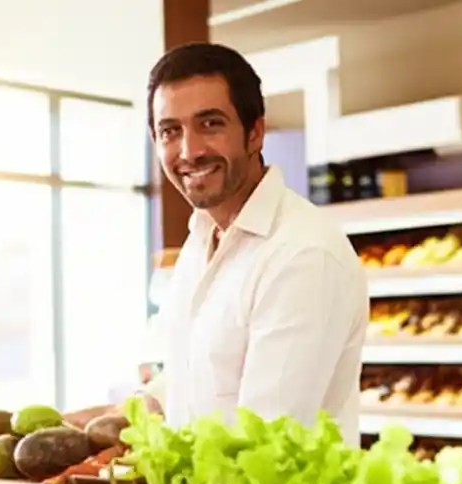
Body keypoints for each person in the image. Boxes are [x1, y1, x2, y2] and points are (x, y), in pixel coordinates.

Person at [68, 42, 368, 443]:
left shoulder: (302, 254)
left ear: (254, 133)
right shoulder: (201, 237)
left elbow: (264, 436)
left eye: (210, 124)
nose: (189, 151)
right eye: (170, 131)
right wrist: (134, 410)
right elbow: (203, 369)